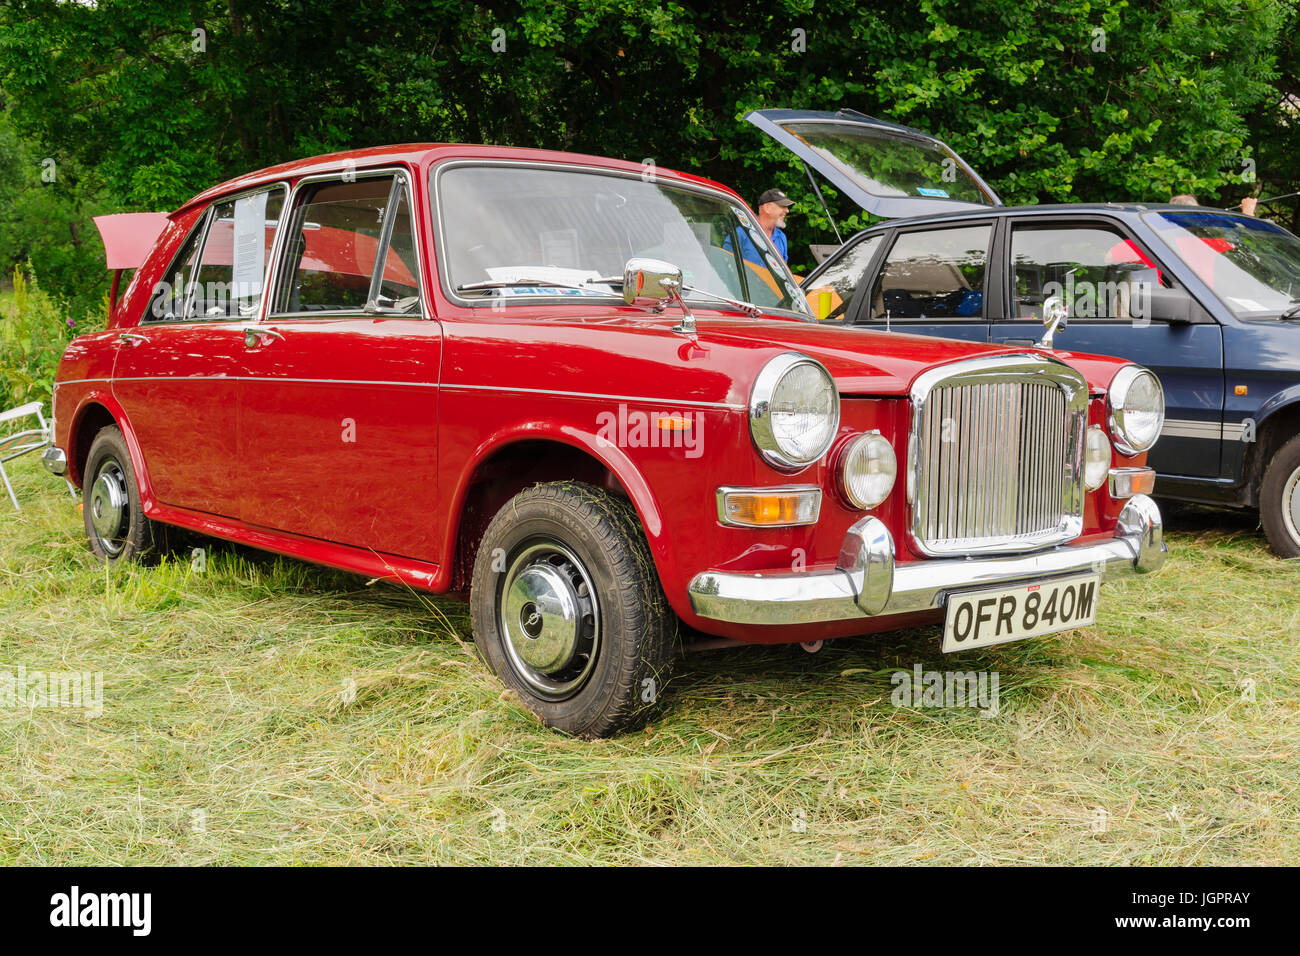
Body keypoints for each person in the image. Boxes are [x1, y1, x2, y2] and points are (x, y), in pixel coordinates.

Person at [725, 187, 794, 266]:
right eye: (782, 206)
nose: (787, 210)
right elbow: (725, 264)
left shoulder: (781, 237)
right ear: (767, 208)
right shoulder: (741, 233)